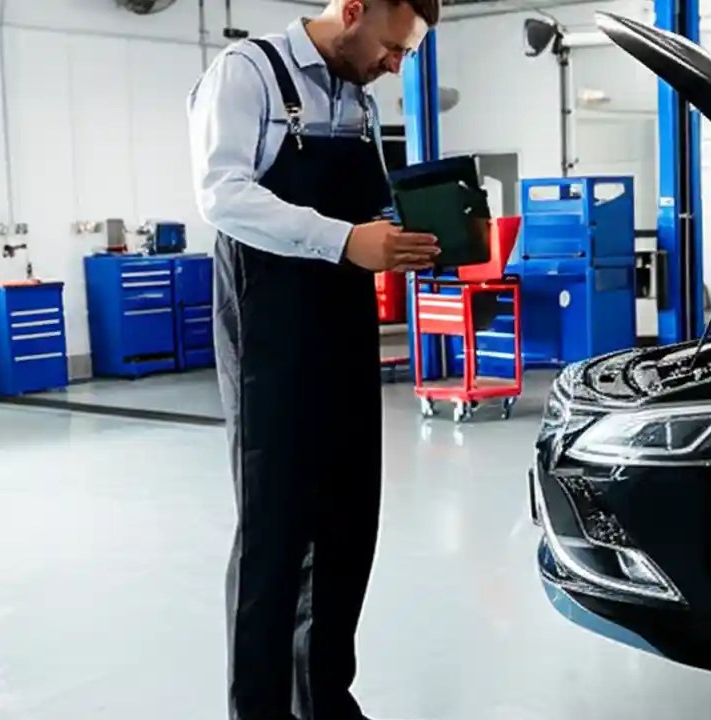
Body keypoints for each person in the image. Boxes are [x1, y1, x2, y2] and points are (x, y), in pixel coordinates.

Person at [186, 0, 441, 717]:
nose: (395, 65)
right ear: (353, 10)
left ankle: (323, 699)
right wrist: (344, 241)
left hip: (343, 322)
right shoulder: (248, 72)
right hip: (268, 326)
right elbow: (222, 194)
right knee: (274, 533)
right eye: (392, 47)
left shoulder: (355, 97)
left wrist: (414, 234)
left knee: (347, 522)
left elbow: (365, 212)